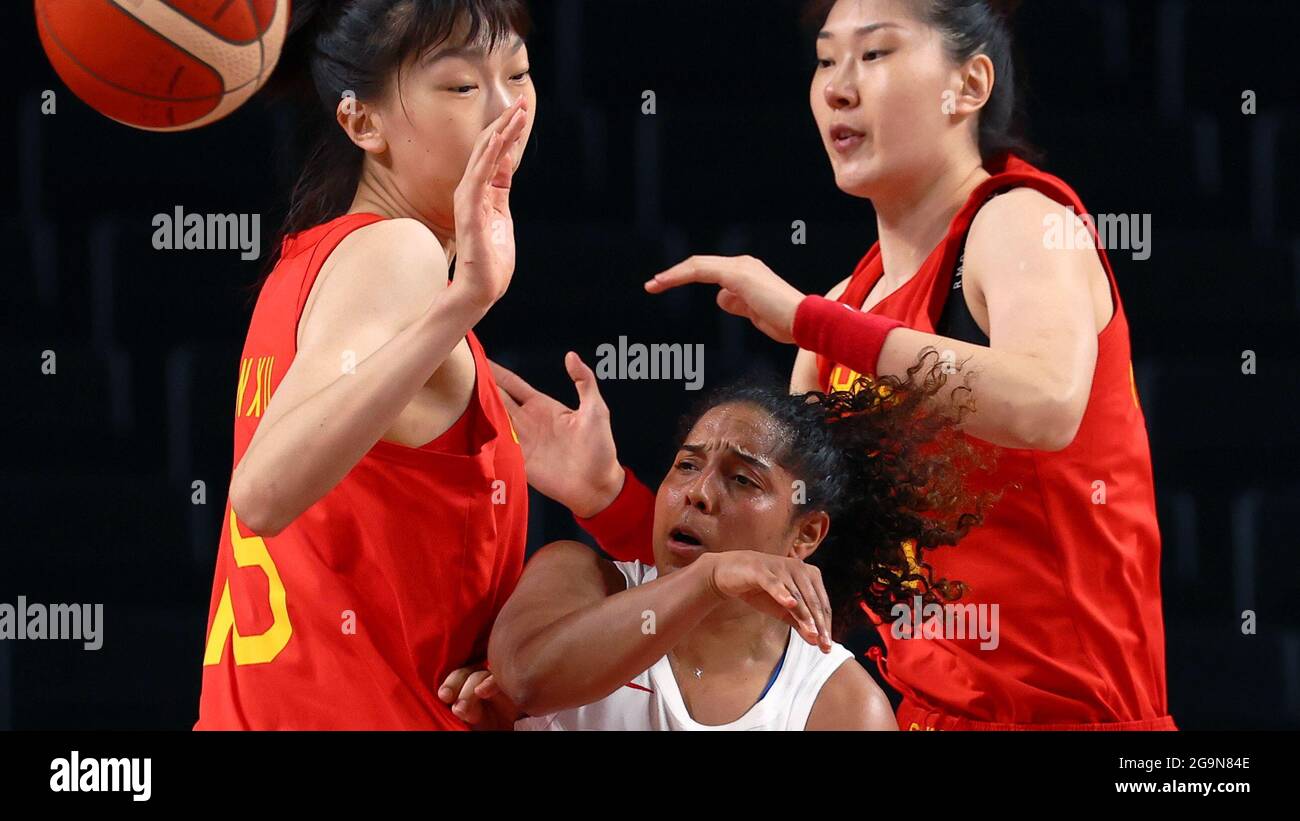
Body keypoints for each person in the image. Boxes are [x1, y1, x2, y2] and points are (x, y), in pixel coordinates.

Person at [497, 0, 1175, 731]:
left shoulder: (1021, 221)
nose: (838, 88)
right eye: (826, 60)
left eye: (875, 55)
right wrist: (609, 498)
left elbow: (1046, 404)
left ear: (970, 85)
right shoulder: (839, 319)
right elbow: (782, 573)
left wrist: (813, 321)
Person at [196, 0, 643, 730]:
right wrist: (466, 298)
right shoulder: (395, 254)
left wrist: (598, 494)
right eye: (462, 88)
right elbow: (262, 492)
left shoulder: (312, 265)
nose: (507, 111)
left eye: (518, 75)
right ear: (362, 123)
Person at [447, 360, 990, 730]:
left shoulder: (841, 706)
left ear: (807, 534)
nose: (699, 493)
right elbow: (526, 679)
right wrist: (707, 579)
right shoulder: (578, 576)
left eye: (742, 480)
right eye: (686, 465)